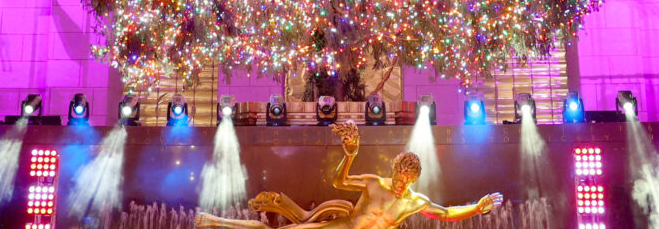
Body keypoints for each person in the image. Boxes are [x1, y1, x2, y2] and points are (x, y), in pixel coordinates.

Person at [197, 121, 501, 229]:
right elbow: (339, 183)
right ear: (394, 169)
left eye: (406, 178)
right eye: (398, 173)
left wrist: (476, 207)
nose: (400, 181)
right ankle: (217, 222)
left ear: (413, 179)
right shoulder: (373, 182)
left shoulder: (414, 201)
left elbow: (446, 213)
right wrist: (350, 155)